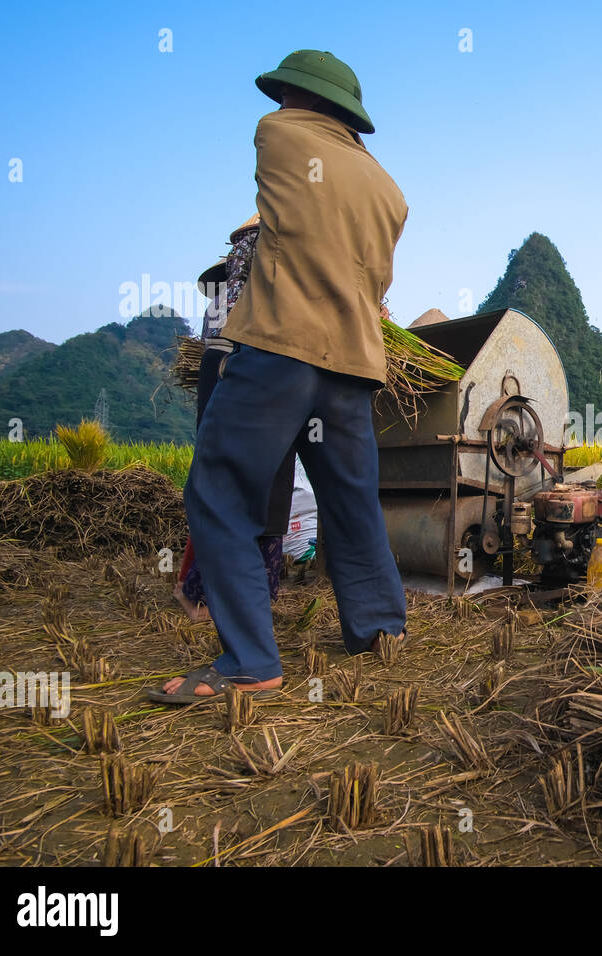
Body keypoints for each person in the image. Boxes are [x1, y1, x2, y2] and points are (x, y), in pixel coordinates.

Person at [148, 49, 408, 704]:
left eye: (286, 93)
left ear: (303, 99)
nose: (277, 105)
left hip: (280, 350)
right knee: (351, 500)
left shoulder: (280, 135)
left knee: (219, 494)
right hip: (353, 364)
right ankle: (379, 628)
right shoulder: (389, 191)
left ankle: (249, 661)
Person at [172, 215, 296, 622]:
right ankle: (209, 593)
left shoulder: (276, 277)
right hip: (240, 366)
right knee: (230, 479)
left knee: (258, 480)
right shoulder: (247, 285)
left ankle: (225, 592)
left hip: (266, 368)